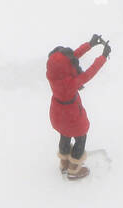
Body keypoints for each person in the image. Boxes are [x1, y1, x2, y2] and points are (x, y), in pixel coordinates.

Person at [46, 34, 111, 180]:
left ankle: (64, 163)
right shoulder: (69, 83)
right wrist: (103, 57)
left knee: (64, 135)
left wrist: (89, 45)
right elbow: (89, 73)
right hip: (72, 116)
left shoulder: (53, 75)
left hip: (57, 114)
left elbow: (72, 57)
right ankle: (74, 169)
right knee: (80, 138)